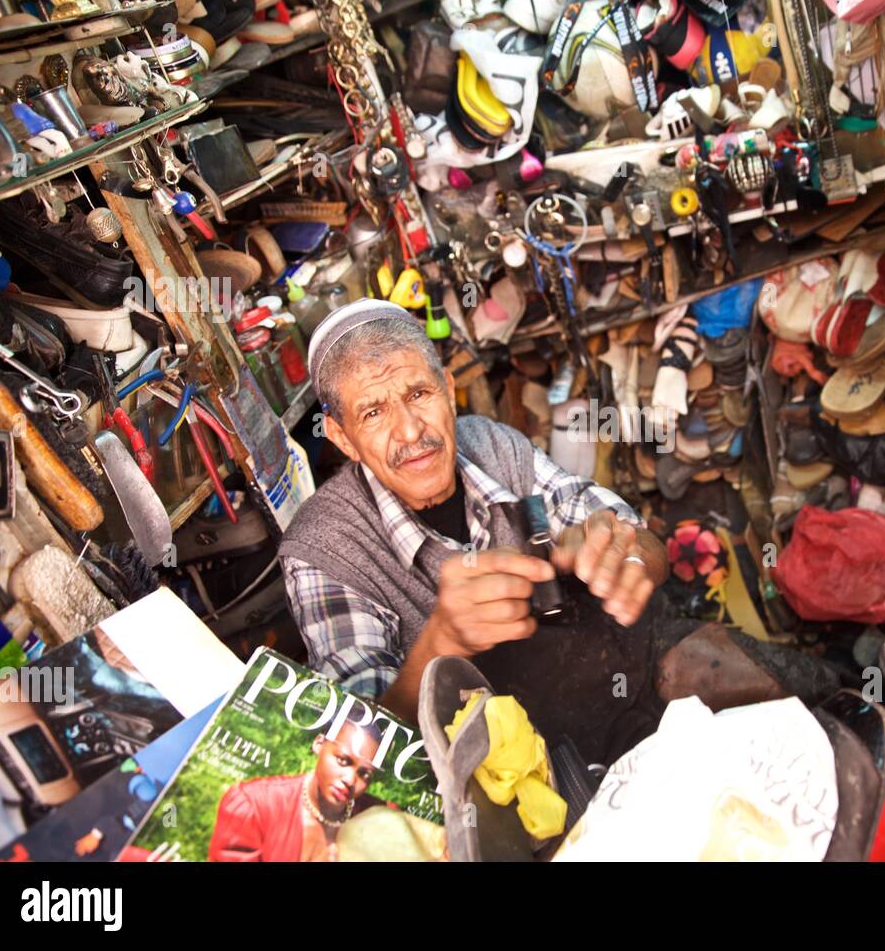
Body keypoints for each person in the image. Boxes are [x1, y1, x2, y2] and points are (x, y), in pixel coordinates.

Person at [280, 300, 689, 764]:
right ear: (341, 437)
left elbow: (638, 537)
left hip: (607, 695)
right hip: (496, 772)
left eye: (418, 394)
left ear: (448, 387)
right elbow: (355, 747)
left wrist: (625, 555)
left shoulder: (492, 443)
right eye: (373, 413)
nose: (411, 432)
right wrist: (440, 643)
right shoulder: (321, 549)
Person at [207, 719, 383, 862]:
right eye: (343, 761)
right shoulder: (254, 806)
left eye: (364, 774)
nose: (350, 780)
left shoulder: (377, 819)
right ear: (319, 744)